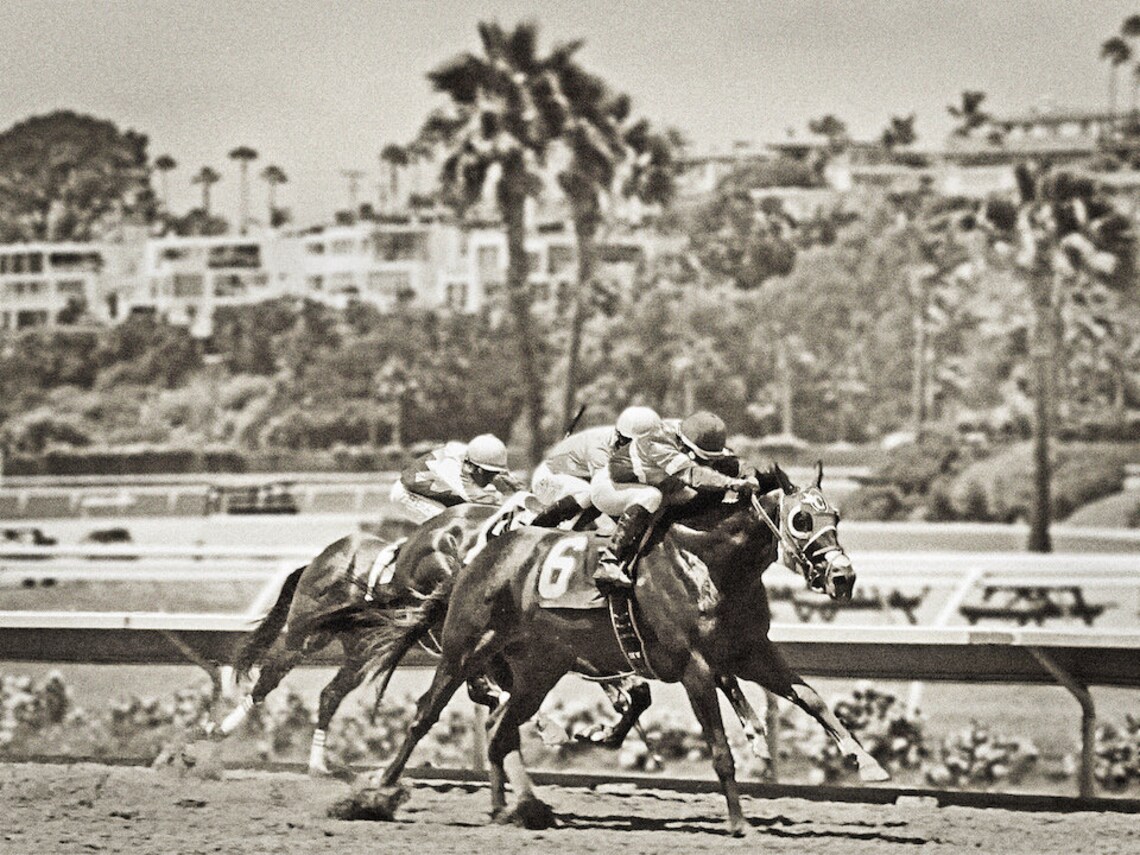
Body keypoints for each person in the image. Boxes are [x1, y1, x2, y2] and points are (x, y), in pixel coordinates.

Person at [590, 409, 761, 590]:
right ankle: (609, 560)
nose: (710, 463)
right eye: (704, 458)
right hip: (610, 486)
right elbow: (694, 475)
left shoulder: (693, 433)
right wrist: (733, 484)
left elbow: (734, 460)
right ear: (687, 446)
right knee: (652, 497)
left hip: (649, 483)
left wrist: (749, 475)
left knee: (688, 496)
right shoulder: (659, 444)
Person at [389, 433, 525, 523]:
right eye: (487, 473)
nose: (491, 478)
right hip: (407, 494)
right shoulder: (449, 466)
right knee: (451, 524)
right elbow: (477, 499)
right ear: (473, 465)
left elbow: (513, 486)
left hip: (436, 494)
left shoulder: (481, 455)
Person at [529, 424, 614, 528]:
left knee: (598, 497)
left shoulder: (617, 440)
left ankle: (576, 530)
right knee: (593, 493)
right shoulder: (601, 446)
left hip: (567, 482)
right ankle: (537, 526)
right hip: (548, 480)